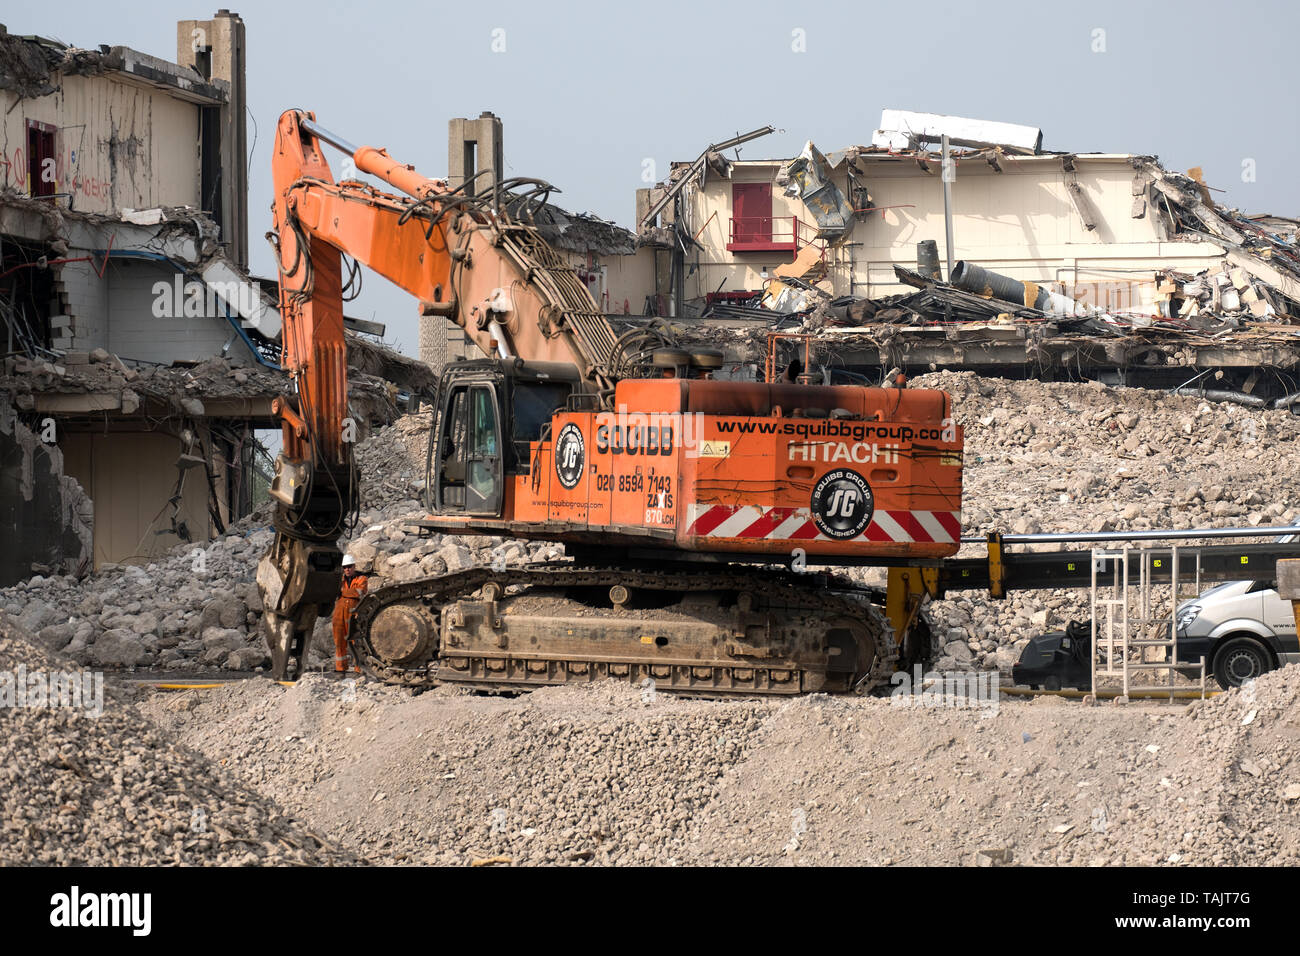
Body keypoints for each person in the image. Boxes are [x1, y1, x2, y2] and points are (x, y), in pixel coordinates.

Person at [331, 554, 368, 673]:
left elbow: (359, 593)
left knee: (356, 641)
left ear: (354, 566)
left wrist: (342, 591)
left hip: (354, 614)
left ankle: (359, 668)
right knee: (339, 640)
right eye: (345, 567)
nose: (347, 569)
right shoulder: (339, 579)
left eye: (349, 566)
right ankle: (340, 667)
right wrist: (346, 592)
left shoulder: (362, 578)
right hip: (339, 614)